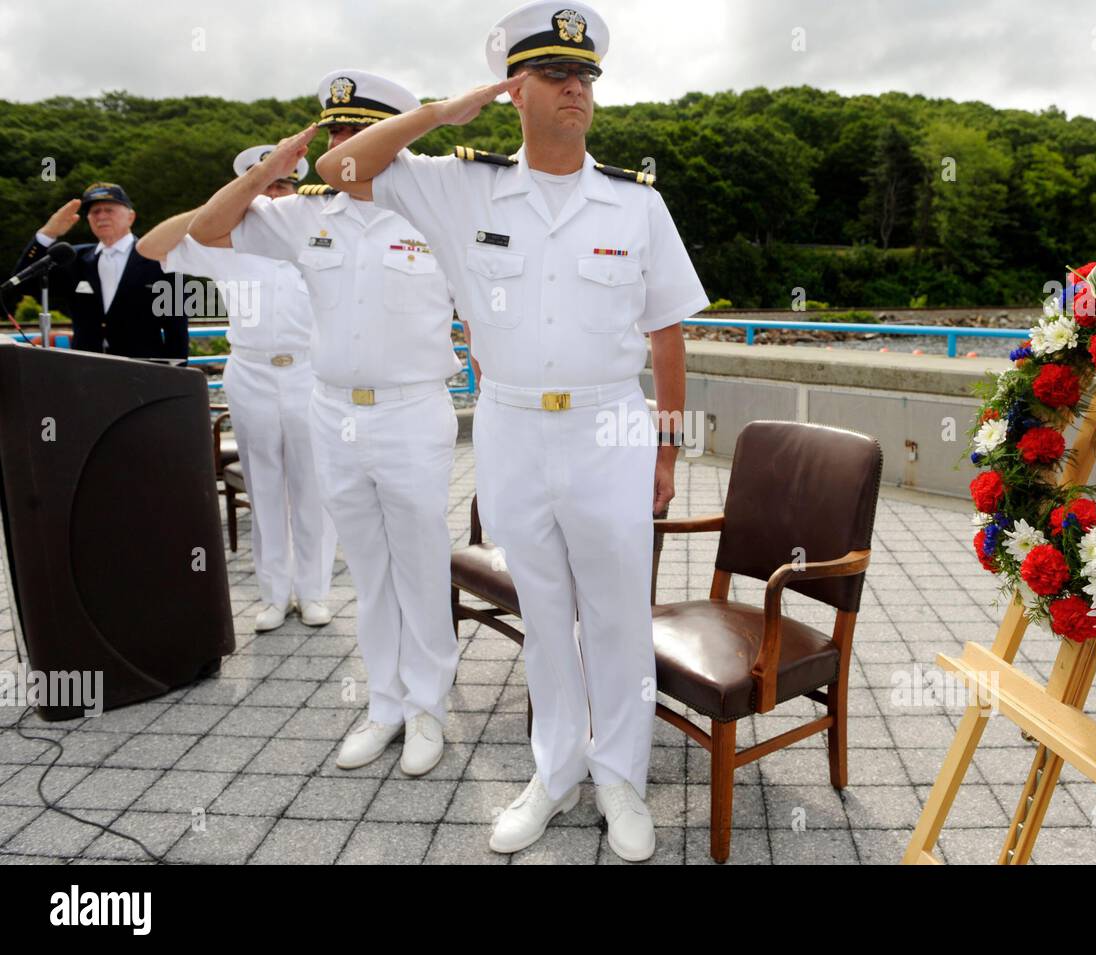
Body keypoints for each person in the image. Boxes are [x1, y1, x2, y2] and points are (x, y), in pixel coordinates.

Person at [315, 2, 707, 861]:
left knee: (615, 616)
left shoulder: (634, 204)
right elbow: (341, 166)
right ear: (514, 92)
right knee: (545, 608)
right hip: (512, 429)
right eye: (557, 76)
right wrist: (437, 112)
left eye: (586, 77)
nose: (577, 88)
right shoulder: (462, 184)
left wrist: (669, 450)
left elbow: (669, 331)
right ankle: (556, 770)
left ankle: (622, 778)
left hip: (610, 426)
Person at [187, 71, 464, 778]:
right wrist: (271, 171)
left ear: (390, 139)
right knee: (370, 570)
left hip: (411, 410)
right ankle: (384, 703)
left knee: (421, 565)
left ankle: (429, 704)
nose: (341, 145)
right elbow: (206, 230)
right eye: (335, 132)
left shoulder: (437, 211)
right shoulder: (306, 214)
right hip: (334, 408)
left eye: (355, 132)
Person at [137, 147, 337, 633]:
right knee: (262, 485)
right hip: (250, 371)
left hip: (310, 371)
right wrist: (219, 204)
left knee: (313, 488)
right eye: (262, 182)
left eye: (282, 184)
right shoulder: (223, 240)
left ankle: (313, 593)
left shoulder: (318, 233)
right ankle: (272, 594)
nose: (272, 192)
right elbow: (150, 247)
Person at [13, 183, 188, 360]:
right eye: (95, 212)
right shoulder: (74, 258)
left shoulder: (160, 260)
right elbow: (22, 283)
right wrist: (47, 234)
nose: (101, 216)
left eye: (109, 210)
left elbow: (177, 328)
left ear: (130, 217)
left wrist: (177, 376)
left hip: (142, 371)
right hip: (85, 369)